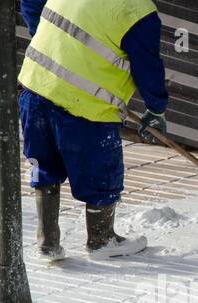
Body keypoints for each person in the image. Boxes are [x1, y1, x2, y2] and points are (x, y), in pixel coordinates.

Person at [17, 0, 169, 261]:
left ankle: (47, 242)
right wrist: (156, 109)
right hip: (85, 105)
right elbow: (147, 67)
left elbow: (30, 4)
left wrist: (52, 46)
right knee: (102, 169)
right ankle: (101, 240)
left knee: (44, 164)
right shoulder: (138, 12)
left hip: (36, 87)